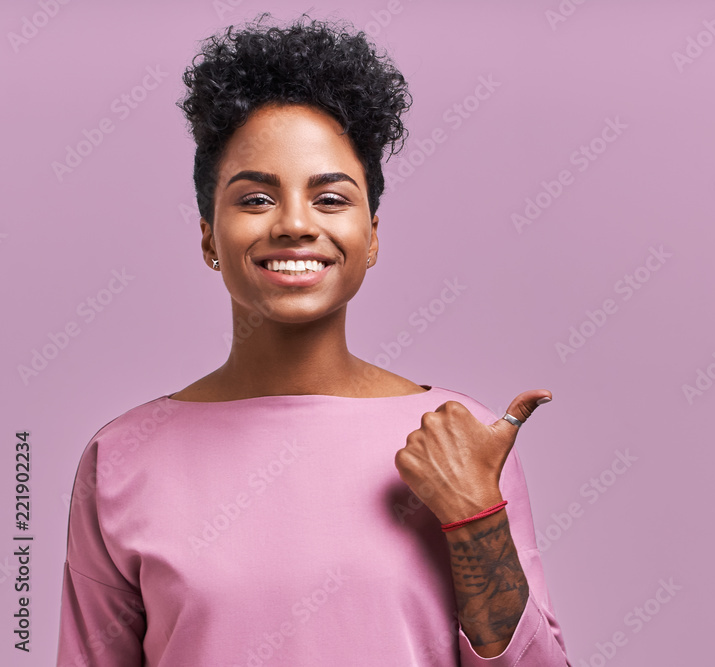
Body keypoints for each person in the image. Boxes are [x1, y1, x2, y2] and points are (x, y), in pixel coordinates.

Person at [56, 12, 570, 666]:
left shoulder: (458, 436)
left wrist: (477, 520)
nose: (296, 223)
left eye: (330, 198)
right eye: (255, 199)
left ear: (372, 233)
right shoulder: (119, 460)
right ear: (209, 234)